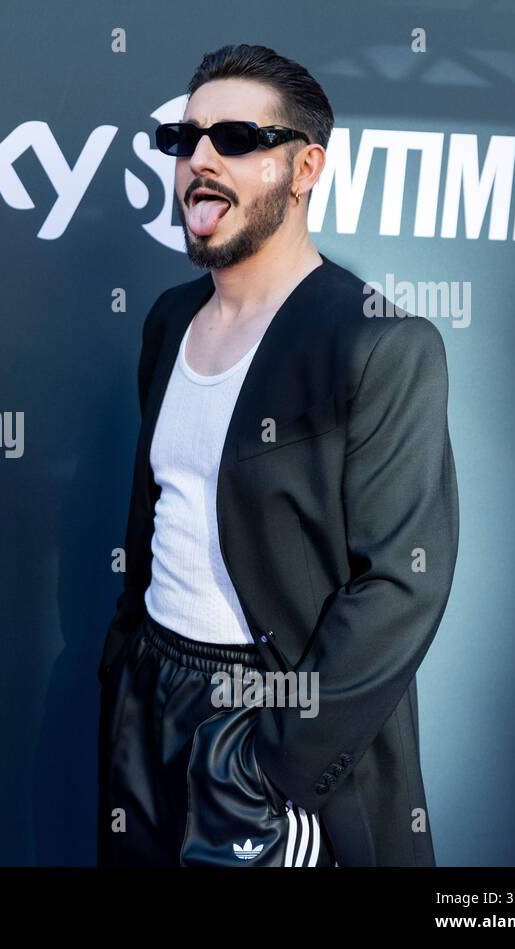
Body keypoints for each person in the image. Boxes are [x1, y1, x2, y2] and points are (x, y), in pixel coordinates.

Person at [97, 44, 458, 866]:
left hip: (265, 723)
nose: (201, 162)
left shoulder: (379, 343)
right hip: (148, 703)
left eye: (236, 139)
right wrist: (125, 675)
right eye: (185, 142)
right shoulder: (168, 319)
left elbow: (402, 583)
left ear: (305, 168)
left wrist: (268, 764)